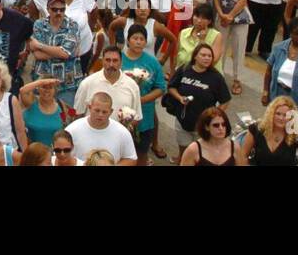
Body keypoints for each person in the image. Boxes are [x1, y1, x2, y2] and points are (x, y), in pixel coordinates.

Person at [166, 42, 231, 157]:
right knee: (184, 151)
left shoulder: (216, 77)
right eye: (203, 55)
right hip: (183, 121)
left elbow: (225, 100)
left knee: (201, 154)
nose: (207, 58)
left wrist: (215, 116)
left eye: (209, 56)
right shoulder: (184, 69)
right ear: (195, 56)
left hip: (203, 126)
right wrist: (180, 98)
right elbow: (171, 87)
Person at [121, 24, 167, 164]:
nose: (139, 41)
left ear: (146, 42)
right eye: (135, 38)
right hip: (121, 114)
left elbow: (160, 87)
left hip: (145, 115)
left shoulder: (152, 62)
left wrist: (143, 99)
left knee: (141, 152)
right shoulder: (119, 59)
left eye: (142, 39)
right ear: (128, 40)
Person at [239, 95, 298, 166]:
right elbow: (243, 156)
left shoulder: (295, 134)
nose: (281, 118)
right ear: (271, 113)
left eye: (285, 115)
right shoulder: (257, 129)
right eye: (278, 113)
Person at [64, 92, 137, 165]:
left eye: (104, 112)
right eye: (97, 110)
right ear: (89, 108)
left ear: (111, 112)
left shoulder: (122, 132)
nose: (100, 115)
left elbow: (131, 159)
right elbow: (60, 157)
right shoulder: (72, 130)